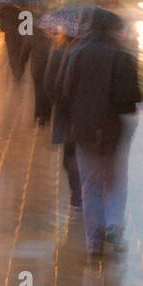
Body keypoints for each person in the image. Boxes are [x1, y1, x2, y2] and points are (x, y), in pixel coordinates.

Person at [60, 8, 143, 261]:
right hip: (113, 129)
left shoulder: (76, 54)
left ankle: (93, 241)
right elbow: (132, 98)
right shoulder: (122, 56)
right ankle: (113, 226)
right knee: (116, 179)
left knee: (90, 183)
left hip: (84, 130)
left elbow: (64, 92)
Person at [44, 23, 82, 213]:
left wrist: (57, 103)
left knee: (69, 153)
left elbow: (49, 82)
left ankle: (76, 193)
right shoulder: (86, 51)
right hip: (86, 113)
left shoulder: (58, 51)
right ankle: (83, 191)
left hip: (66, 112)